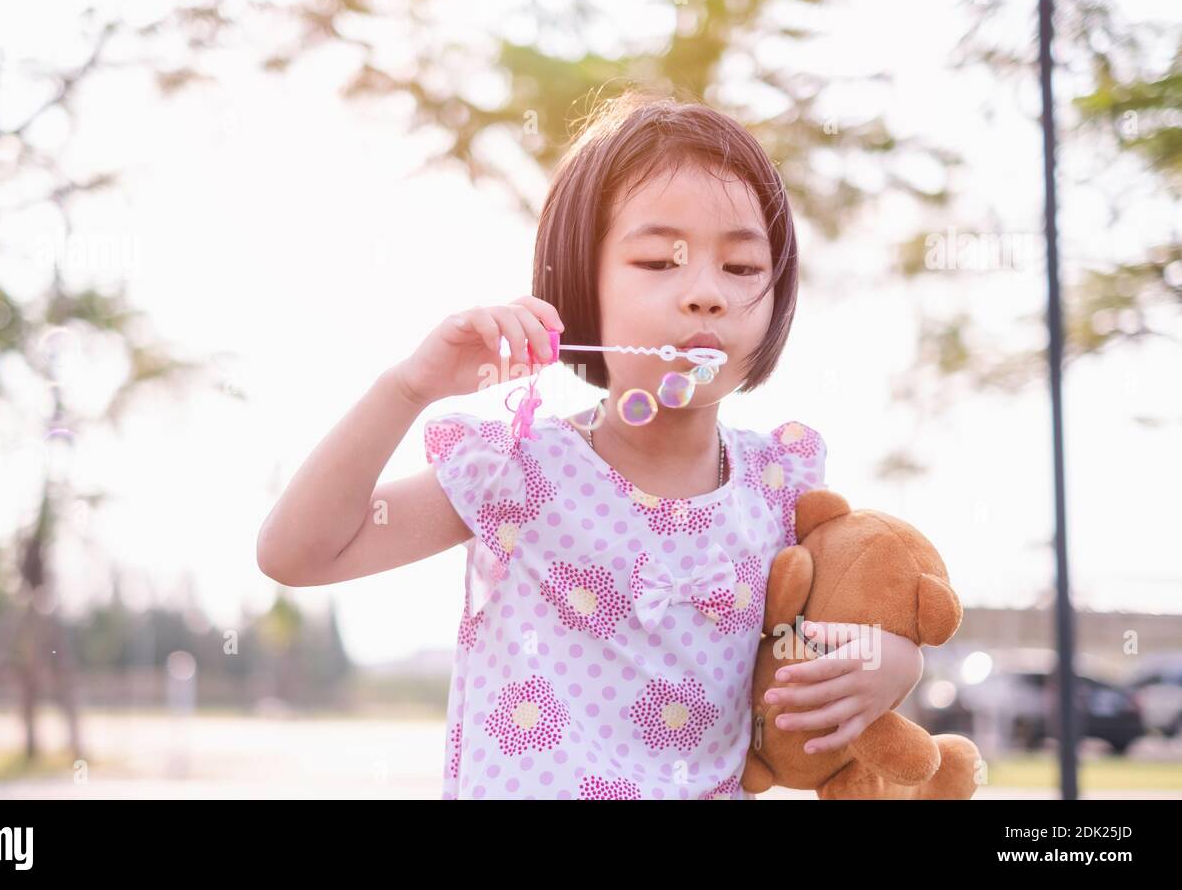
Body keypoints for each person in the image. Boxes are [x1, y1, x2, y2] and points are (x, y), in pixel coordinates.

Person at [257, 90, 924, 799]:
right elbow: (298, 552)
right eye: (657, 262)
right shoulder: (520, 472)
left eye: (741, 268)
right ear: (582, 285)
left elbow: (814, 643)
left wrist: (897, 659)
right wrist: (409, 387)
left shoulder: (777, 488)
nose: (706, 294)